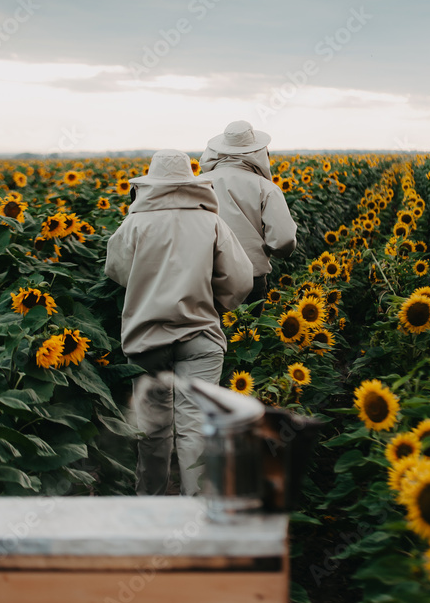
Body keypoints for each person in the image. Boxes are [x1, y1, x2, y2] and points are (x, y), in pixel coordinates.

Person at [104, 148, 253, 496]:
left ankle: (151, 504)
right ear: (190, 182)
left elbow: (116, 271)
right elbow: (241, 278)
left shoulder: (135, 223)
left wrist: (147, 287)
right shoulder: (210, 221)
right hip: (200, 336)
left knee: (152, 429)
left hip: (146, 337)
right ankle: (197, 512)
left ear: (149, 183)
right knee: (196, 428)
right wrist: (216, 299)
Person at [199, 120, 297, 310]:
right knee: (247, 336)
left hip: (204, 278)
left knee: (210, 336)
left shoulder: (197, 184)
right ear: (257, 152)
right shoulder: (265, 187)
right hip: (249, 279)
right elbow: (283, 240)